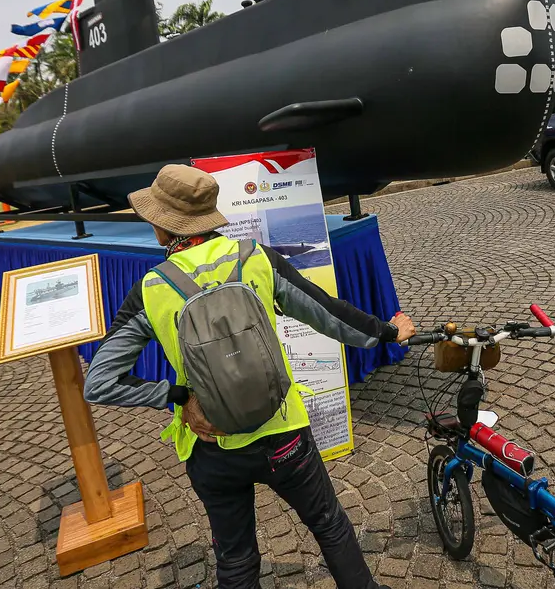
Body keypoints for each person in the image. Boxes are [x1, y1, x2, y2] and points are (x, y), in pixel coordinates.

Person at [83, 164, 416, 589]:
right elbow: (329, 314)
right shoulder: (255, 259)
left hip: (212, 446)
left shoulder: (151, 288)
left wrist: (178, 394)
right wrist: (389, 332)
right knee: (328, 524)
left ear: (164, 229)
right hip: (284, 435)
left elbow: (100, 382)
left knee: (237, 559)